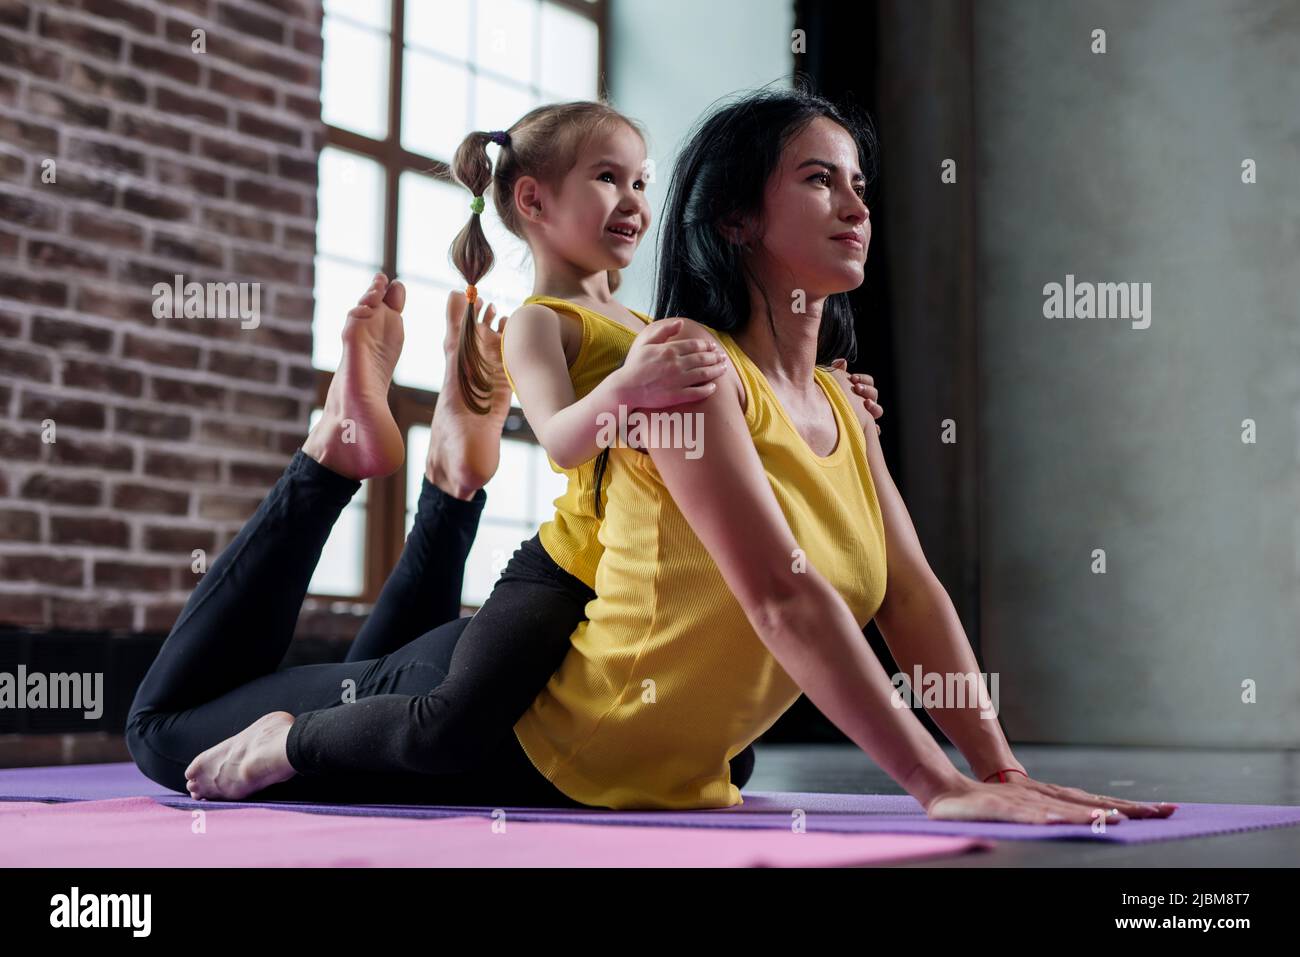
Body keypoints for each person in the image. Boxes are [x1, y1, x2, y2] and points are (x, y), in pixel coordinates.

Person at [147, 88, 1176, 824]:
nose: (859, 206)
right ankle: (337, 463)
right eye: (821, 180)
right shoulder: (678, 363)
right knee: (169, 733)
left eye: (860, 184)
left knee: (389, 685)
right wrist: (936, 784)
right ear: (734, 215)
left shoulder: (818, 396)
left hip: (595, 671)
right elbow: (782, 593)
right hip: (542, 687)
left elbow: (911, 594)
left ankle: (451, 481)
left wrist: (998, 768)